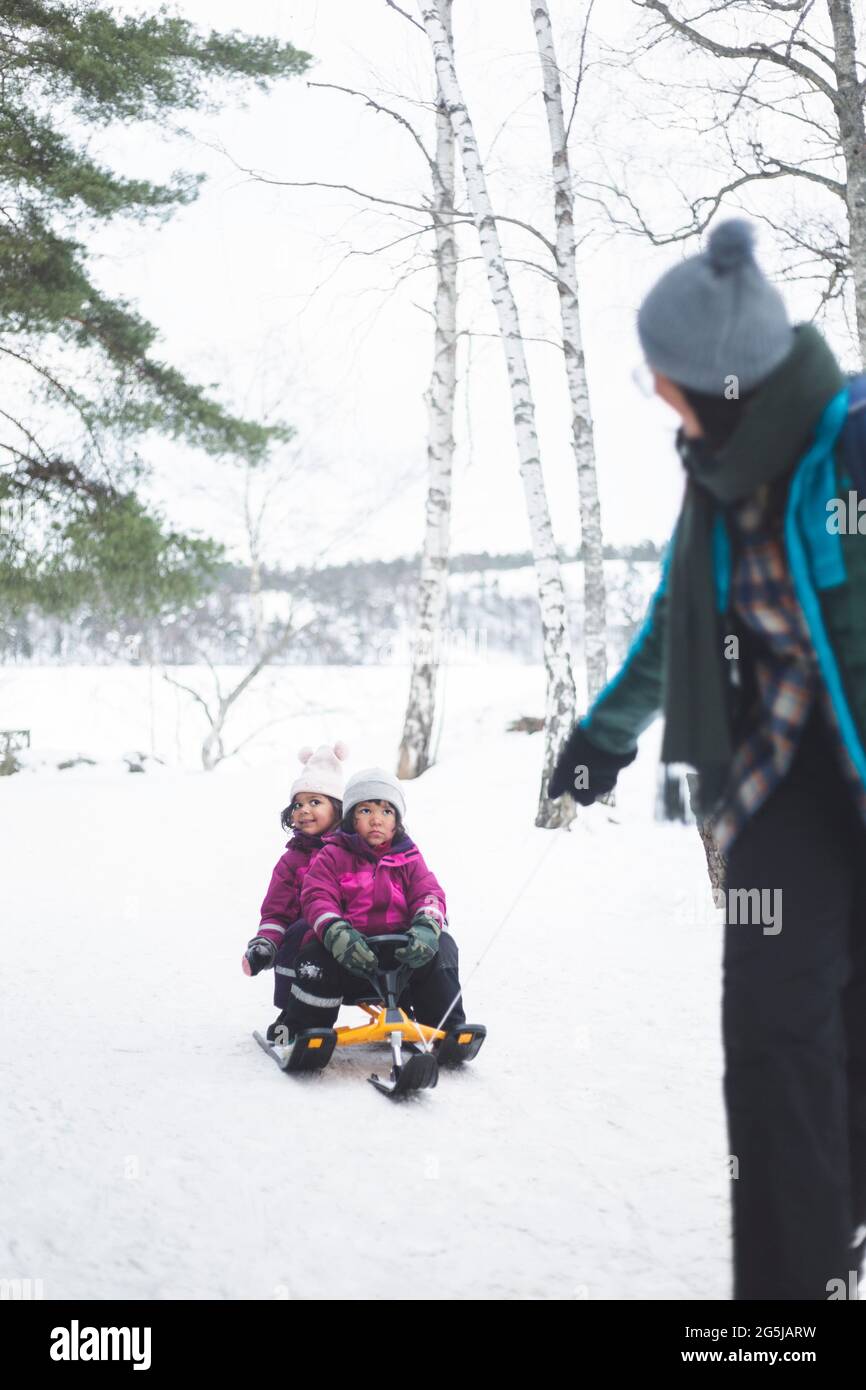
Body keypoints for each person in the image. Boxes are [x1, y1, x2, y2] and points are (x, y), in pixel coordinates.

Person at [549, 218, 866, 1301]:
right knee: (774, 1024)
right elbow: (672, 629)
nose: (657, 396)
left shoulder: (852, 440)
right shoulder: (718, 481)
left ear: (721, 385)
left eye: (663, 378)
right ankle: (788, 1294)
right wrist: (600, 734)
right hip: (786, 778)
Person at [274, 766, 468, 1041]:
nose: (376, 820)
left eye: (386, 811)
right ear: (351, 817)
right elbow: (317, 897)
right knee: (315, 952)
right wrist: (336, 932)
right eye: (366, 811)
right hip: (350, 956)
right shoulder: (332, 855)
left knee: (443, 944)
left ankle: (448, 1026)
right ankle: (302, 1029)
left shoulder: (409, 857)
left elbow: (429, 893)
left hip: (403, 958)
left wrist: (426, 926)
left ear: (396, 821)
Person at [242, 742, 348, 1035]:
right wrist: (265, 942)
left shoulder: (355, 852)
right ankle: (295, 1013)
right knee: (300, 930)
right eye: (298, 804)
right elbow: (277, 911)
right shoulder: (292, 861)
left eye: (315, 802)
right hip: (308, 944)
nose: (303, 810)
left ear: (338, 808)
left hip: (354, 938)